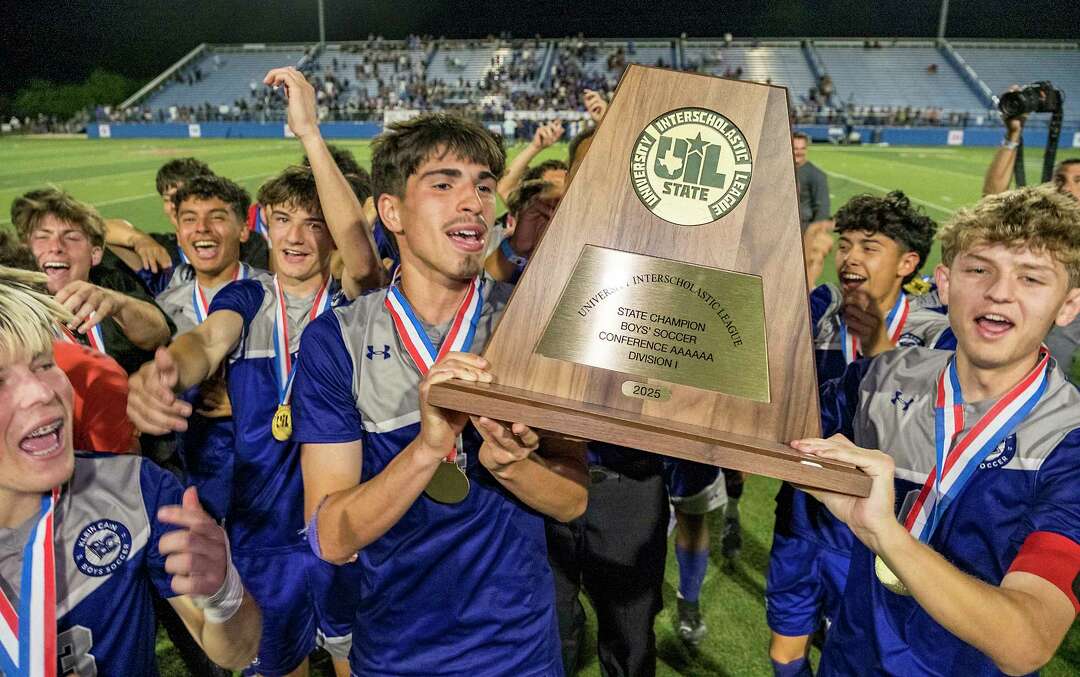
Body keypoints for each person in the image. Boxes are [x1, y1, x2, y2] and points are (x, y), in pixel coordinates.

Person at [291, 108, 588, 675]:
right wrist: (428, 449)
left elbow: (573, 500)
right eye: (443, 183)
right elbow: (329, 537)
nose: (472, 201)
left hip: (520, 651)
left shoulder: (531, 328)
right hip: (398, 651)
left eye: (482, 185)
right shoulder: (338, 340)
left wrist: (512, 467)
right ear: (392, 212)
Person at [798, 186, 1080, 676]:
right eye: (978, 269)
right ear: (944, 283)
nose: (999, 291)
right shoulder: (880, 378)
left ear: (1069, 305)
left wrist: (884, 533)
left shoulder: (1068, 441)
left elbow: (1027, 642)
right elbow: (774, 430)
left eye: (1031, 278)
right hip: (850, 660)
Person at [0, 266, 262, 675]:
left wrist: (223, 592)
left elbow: (235, 652)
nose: (41, 392)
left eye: (43, 364)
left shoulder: (132, 488)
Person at [768, 191, 954, 676]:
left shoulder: (937, 333)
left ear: (907, 262)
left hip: (874, 529)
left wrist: (878, 345)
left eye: (870, 246)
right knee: (784, 651)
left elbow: (925, 428)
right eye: (846, 243)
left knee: (853, 655)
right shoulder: (821, 312)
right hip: (804, 513)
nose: (850, 256)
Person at [11, 187, 174, 375]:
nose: (56, 247)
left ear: (95, 255)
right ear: (25, 250)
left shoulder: (111, 282)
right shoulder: (13, 308)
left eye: (71, 237)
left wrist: (119, 305)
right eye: (42, 237)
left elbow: (159, 335)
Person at [104, 158, 270, 294]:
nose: (175, 206)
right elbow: (97, 228)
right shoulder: (159, 249)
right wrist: (138, 238)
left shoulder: (247, 245)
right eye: (168, 199)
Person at [793, 132, 830, 233]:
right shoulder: (782, 170)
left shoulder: (816, 175)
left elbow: (822, 208)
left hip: (804, 227)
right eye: (795, 148)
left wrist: (814, 234)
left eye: (802, 148)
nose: (799, 152)